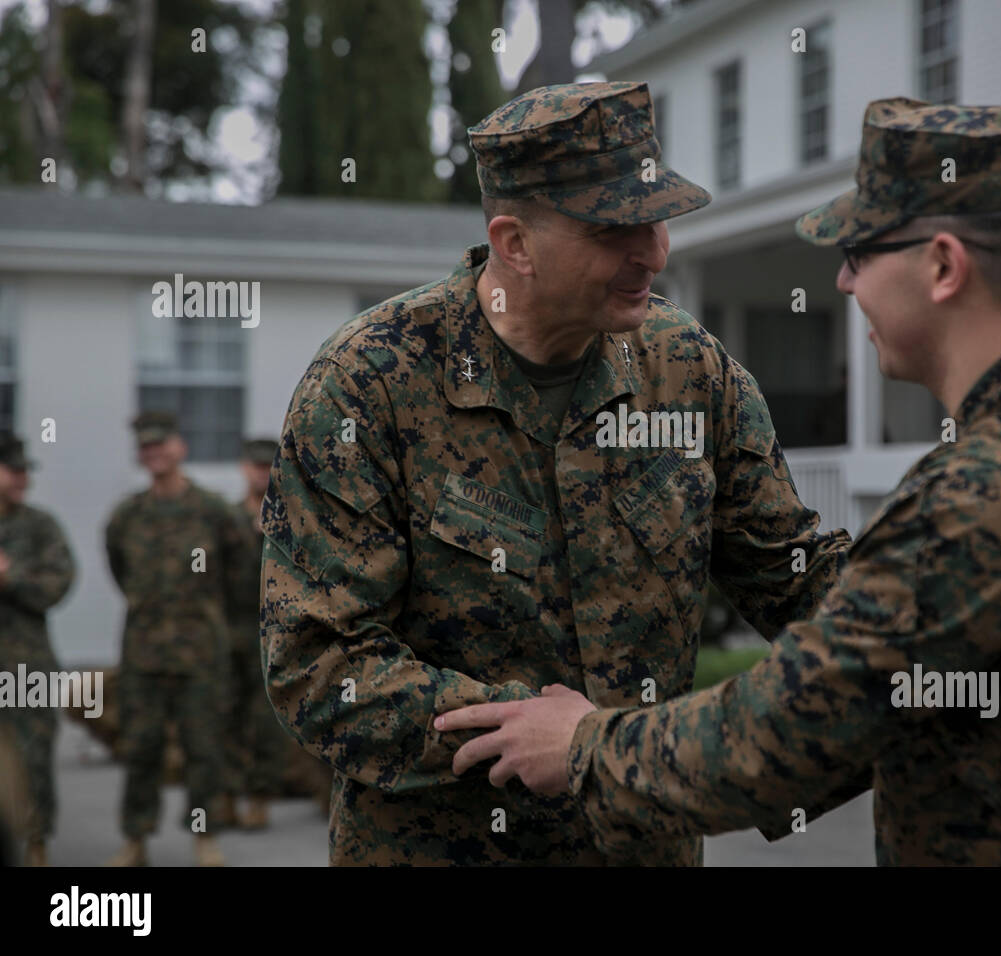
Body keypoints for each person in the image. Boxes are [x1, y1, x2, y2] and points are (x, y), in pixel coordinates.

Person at [437, 97, 1001, 866]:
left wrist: (583, 747)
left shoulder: (996, 485)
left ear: (943, 265)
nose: (844, 283)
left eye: (860, 253)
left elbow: (796, 727)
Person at [260, 80, 851, 866]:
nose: (653, 252)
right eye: (616, 229)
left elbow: (793, 577)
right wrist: (525, 731)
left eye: (658, 219)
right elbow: (316, 663)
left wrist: (943, 622)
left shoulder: (690, 373)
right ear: (515, 245)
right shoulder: (372, 383)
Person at [105, 411, 246, 867]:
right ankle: (135, 838)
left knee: (204, 749)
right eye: (146, 447)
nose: (155, 453)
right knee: (140, 748)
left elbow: (241, 572)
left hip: (201, 652)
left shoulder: (213, 510)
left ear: (180, 448)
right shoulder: (127, 515)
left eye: (161, 444)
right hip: (144, 653)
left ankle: (204, 837)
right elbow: (120, 570)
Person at [0, 432, 75, 866]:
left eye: (25, 470)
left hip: (27, 664)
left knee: (33, 757)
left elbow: (57, 582)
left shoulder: (39, 525)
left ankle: (35, 844)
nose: (22, 478)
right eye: (13, 469)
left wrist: (11, 578)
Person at [215, 438, 285, 830]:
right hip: (230, 625)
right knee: (225, 712)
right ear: (244, 468)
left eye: (268, 465)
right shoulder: (225, 517)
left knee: (265, 719)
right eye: (255, 465)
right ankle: (225, 793)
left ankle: (259, 796)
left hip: (272, 629)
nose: (261, 471)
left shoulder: (290, 516)